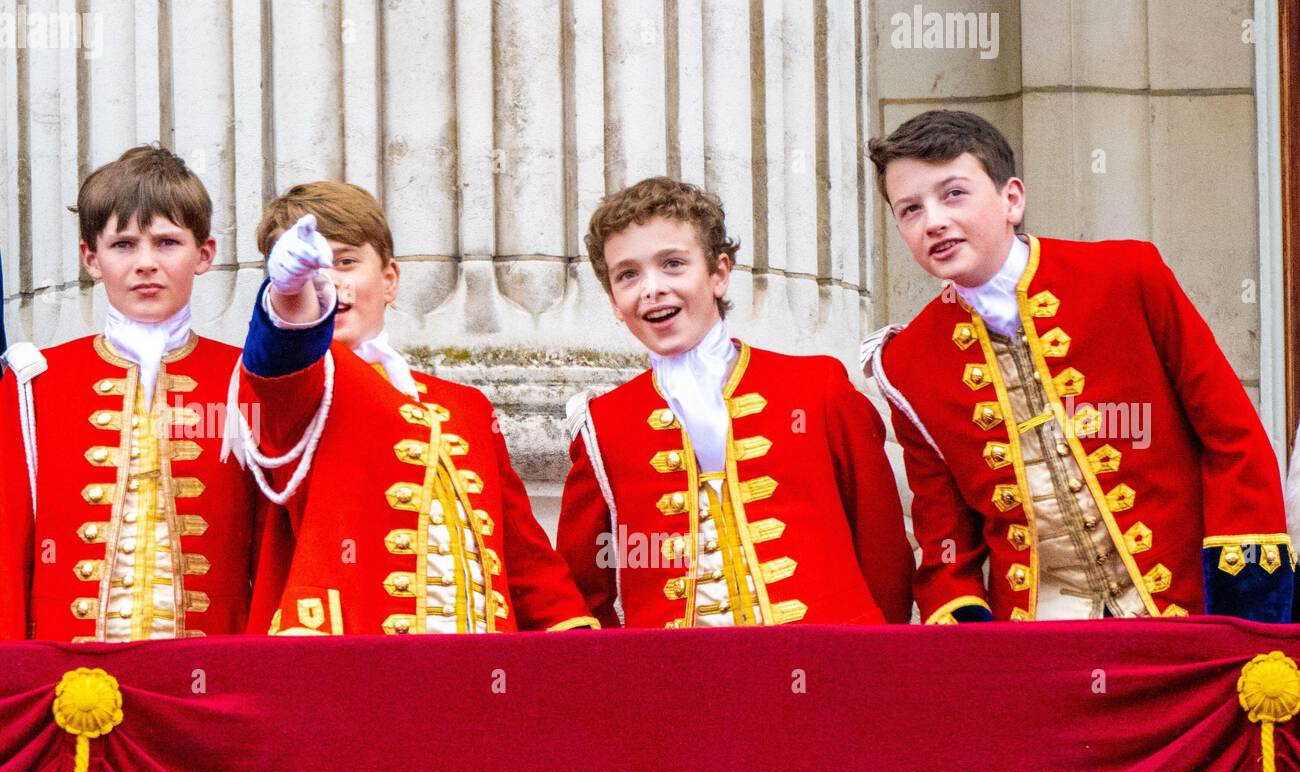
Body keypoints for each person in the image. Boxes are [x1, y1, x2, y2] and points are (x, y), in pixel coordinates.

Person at [864, 109, 1293, 623]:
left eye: (953, 193)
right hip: (1042, 641)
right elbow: (945, 538)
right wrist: (969, 630)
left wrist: (1247, 601)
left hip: (1186, 611)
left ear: (1011, 200)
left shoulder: (1128, 276)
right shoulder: (906, 364)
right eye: (910, 209)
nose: (933, 221)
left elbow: (1231, 436)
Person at [228, 181, 598, 635]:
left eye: (345, 262)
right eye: (308, 268)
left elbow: (526, 560)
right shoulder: (300, 384)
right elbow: (281, 356)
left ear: (389, 279)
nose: (328, 281)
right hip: (347, 661)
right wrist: (289, 295)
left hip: (476, 666)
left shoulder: (466, 406)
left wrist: (577, 641)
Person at [556, 176, 914, 629]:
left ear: (719, 274)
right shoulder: (602, 425)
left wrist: (875, 655)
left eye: (672, 264)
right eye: (628, 275)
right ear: (613, 301)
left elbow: (883, 548)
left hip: (829, 663)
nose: (651, 288)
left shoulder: (816, 388)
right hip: (678, 672)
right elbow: (582, 592)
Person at [0, 145, 281, 640]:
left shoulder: (246, 381)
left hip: (213, 669)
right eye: (123, 244)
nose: (146, 263)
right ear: (91, 258)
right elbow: (8, 549)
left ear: (204, 254)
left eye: (167, 242)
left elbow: (270, 544)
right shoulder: (35, 383)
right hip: (65, 670)